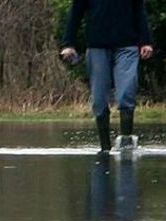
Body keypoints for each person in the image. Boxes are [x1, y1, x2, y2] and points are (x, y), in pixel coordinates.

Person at [60, 0, 154, 152]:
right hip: (97, 46)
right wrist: (68, 44)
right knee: (99, 100)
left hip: (127, 46)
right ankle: (105, 148)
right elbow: (75, 13)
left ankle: (126, 142)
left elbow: (139, 12)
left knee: (126, 94)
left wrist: (146, 41)